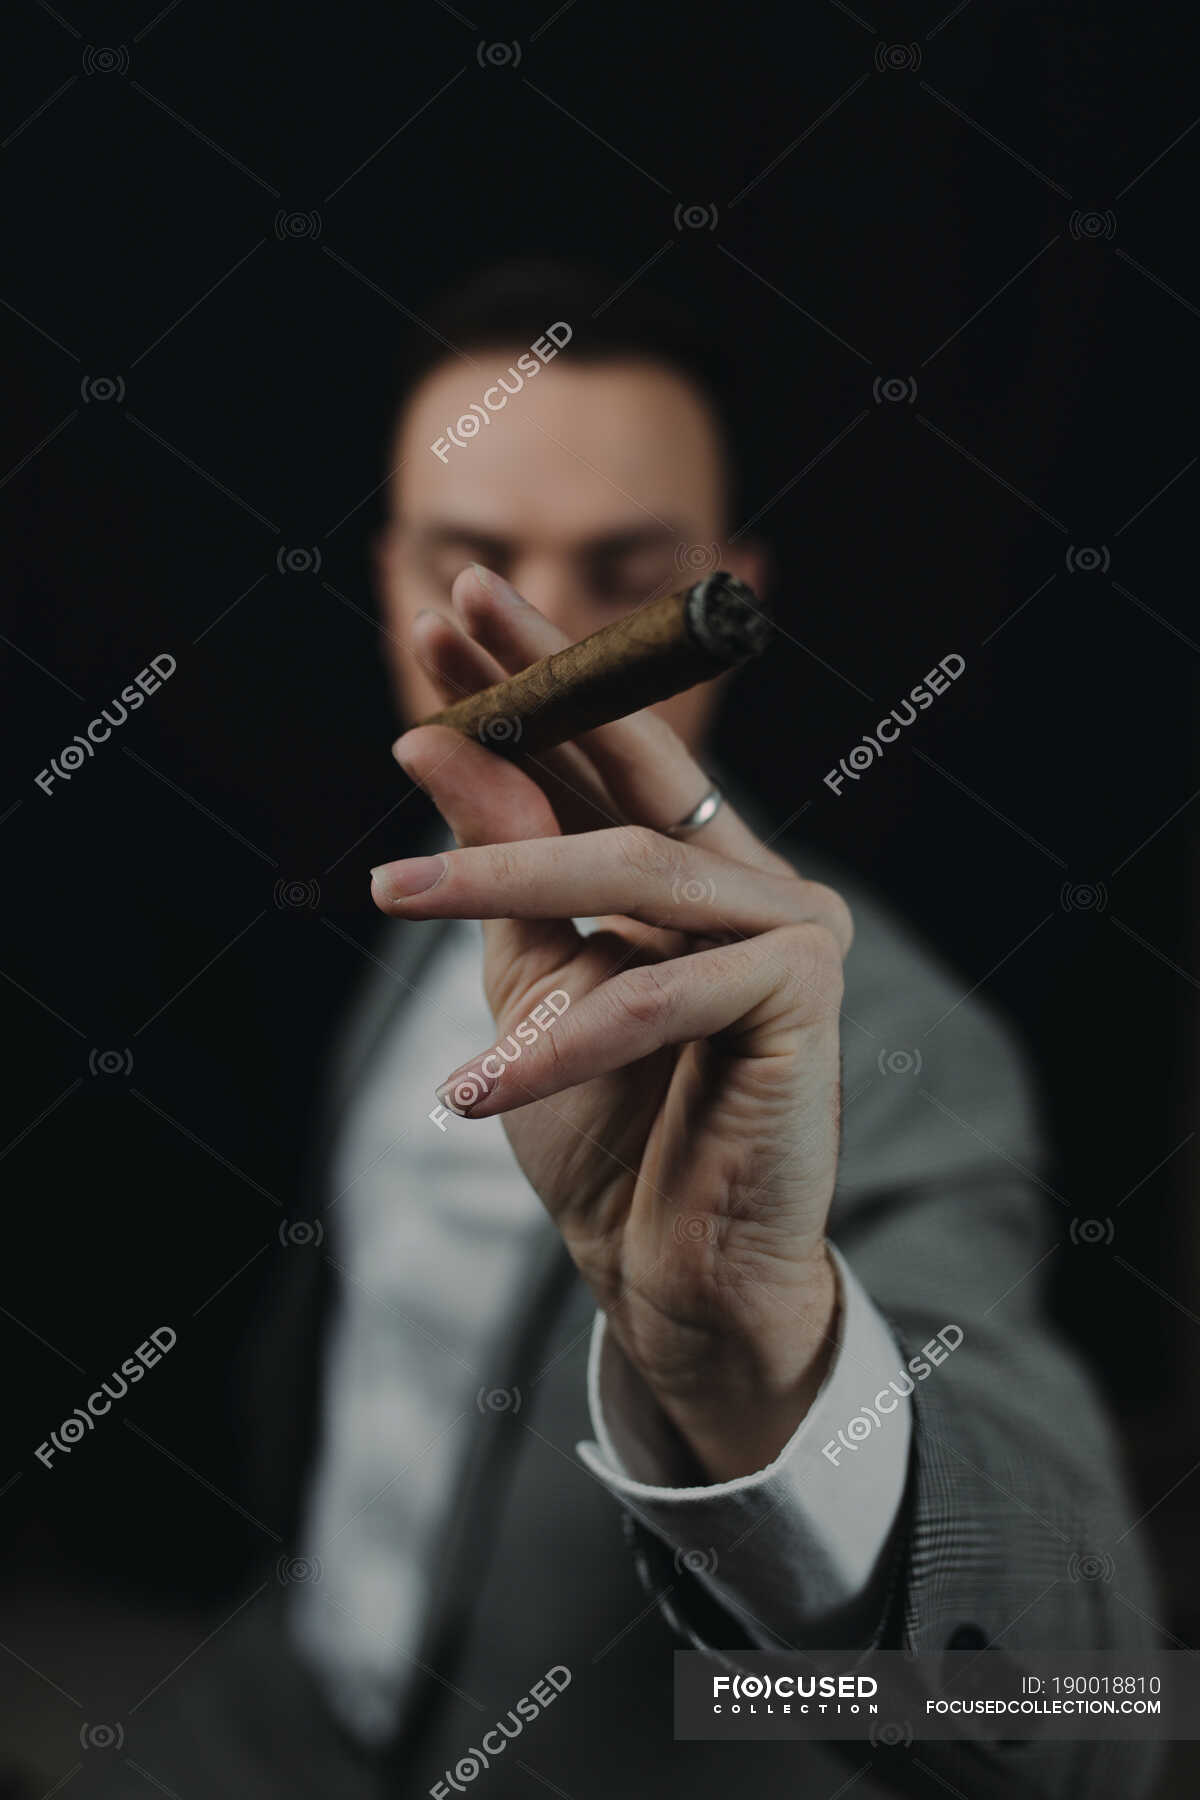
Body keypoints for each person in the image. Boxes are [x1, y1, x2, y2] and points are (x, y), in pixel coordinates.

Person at [110, 260, 1163, 1799]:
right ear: (394, 577)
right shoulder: (414, 932)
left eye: (619, 577)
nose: (536, 658)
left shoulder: (899, 1046)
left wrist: (753, 1353)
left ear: (728, 597)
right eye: (475, 564)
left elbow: (1102, 1716)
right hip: (275, 1728)